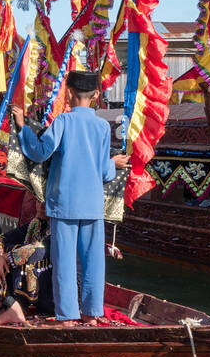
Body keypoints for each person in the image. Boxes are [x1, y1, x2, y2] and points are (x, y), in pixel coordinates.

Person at [11, 70, 129, 324]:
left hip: (64, 204)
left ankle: (66, 318)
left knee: (64, 263)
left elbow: (40, 152)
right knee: (94, 263)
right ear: (96, 95)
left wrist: (23, 127)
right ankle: (91, 316)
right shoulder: (102, 126)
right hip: (92, 205)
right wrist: (113, 163)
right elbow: (103, 171)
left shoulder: (63, 121)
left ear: (70, 93)